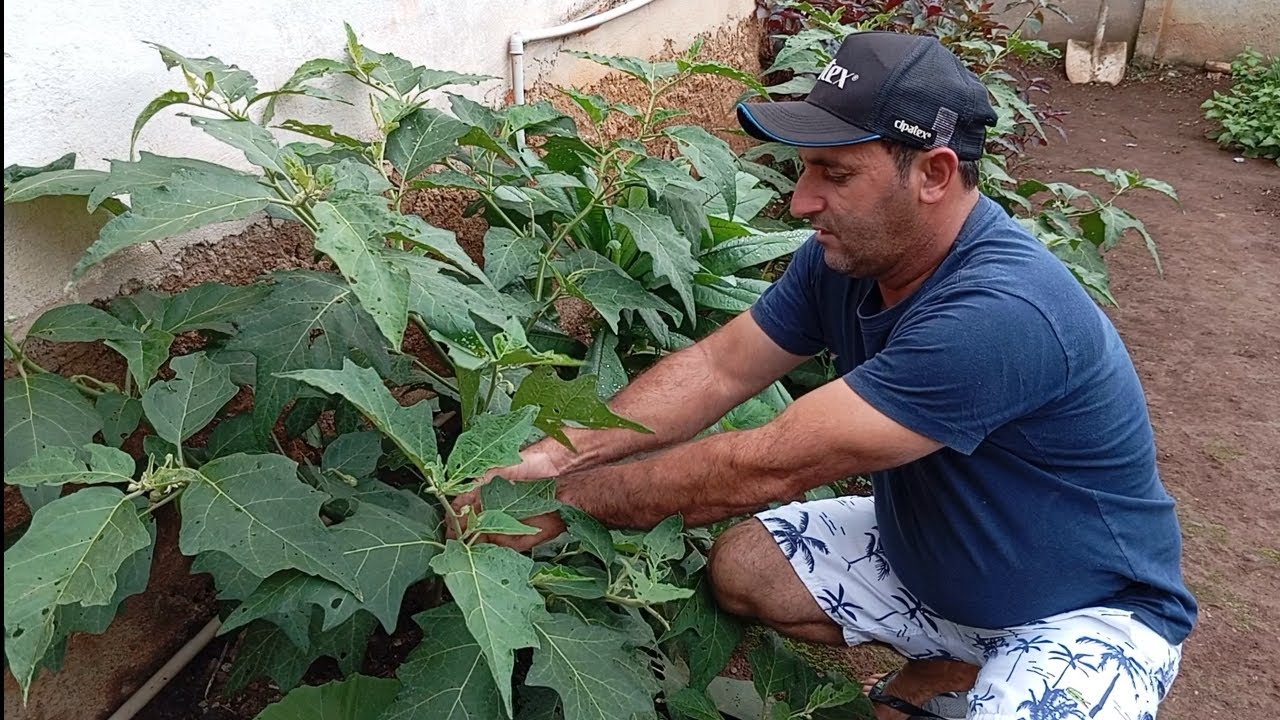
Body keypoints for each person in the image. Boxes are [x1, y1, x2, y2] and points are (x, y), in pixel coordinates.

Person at [466, 31, 1197, 720]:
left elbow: (768, 464)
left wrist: (564, 501)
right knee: (747, 567)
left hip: (1085, 609)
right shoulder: (851, 256)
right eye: (806, 167)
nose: (801, 200)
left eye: (836, 173)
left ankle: (1002, 667)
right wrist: (560, 452)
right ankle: (956, 660)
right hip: (945, 558)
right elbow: (721, 367)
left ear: (935, 174)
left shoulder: (1001, 314)